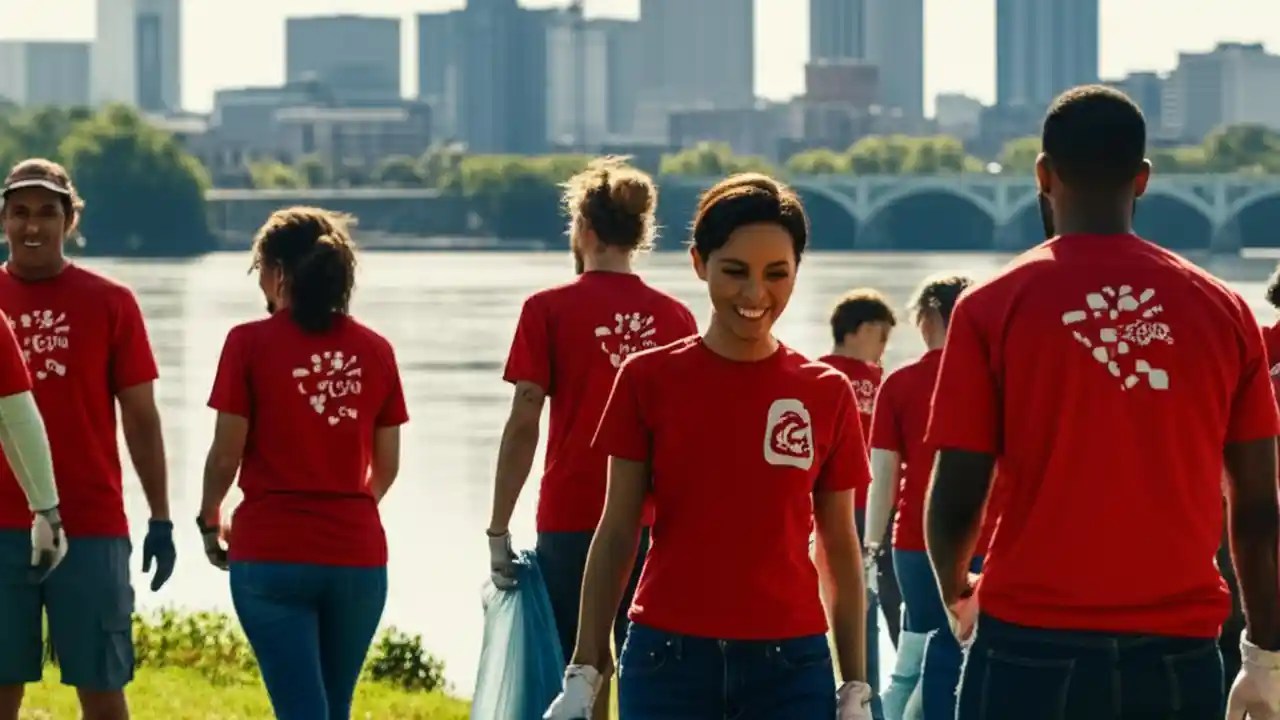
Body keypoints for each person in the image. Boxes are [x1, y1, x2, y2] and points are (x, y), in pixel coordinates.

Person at [924, 84, 1280, 719]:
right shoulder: (1225, 310)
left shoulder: (990, 306)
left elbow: (957, 489)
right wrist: (1266, 655)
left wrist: (957, 591)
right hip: (1180, 650)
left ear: (1042, 174)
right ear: (1142, 180)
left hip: (1027, 644)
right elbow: (1256, 508)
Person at [545, 173, 874, 720]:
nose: (755, 295)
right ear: (699, 263)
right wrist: (584, 670)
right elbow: (618, 527)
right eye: (734, 272)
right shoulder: (647, 378)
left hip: (791, 665)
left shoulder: (825, 392)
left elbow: (839, 545)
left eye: (777, 275)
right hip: (667, 658)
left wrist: (857, 685)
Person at [486, 156, 696, 718]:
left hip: (570, 512)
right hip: (656, 521)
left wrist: (498, 527)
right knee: (647, 661)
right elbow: (691, 435)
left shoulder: (546, 309)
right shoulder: (676, 317)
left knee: (581, 668)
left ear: (582, 228)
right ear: (641, 234)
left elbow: (524, 420)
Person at [198, 207, 408, 720]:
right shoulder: (376, 349)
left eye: (258, 271)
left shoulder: (246, 343)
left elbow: (227, 452)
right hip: (356, 556)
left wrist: (209, 520)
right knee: (332, 709)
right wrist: (349, 508)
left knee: (301, 711)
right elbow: (387, 465)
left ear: (277, 273)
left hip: (271, 553)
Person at [0, 158, 174, 720]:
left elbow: (142, 420)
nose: (33, 226)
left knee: (101, 689)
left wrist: (162, 518)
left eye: (47, 213)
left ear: (69, 220)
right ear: (3, 218)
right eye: (20, 212)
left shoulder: (111, 302)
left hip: (91, 524)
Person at [864, 274, 987, 720]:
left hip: (915, 544)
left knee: (920, 649)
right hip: (985, 541)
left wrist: (870, 546)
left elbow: (882, 476)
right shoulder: (996, 379)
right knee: (970, 655)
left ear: (931, 314)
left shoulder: (899, 384)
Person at [819, 288, 897, 716]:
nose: (884, 349)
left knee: (866, 607)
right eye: (882, 336)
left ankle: (868, 697)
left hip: (865, 509)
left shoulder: (874, 379)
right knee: (872, 607)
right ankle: (871, 701)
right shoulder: (831, 376)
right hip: (859, 508)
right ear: (863, 329)